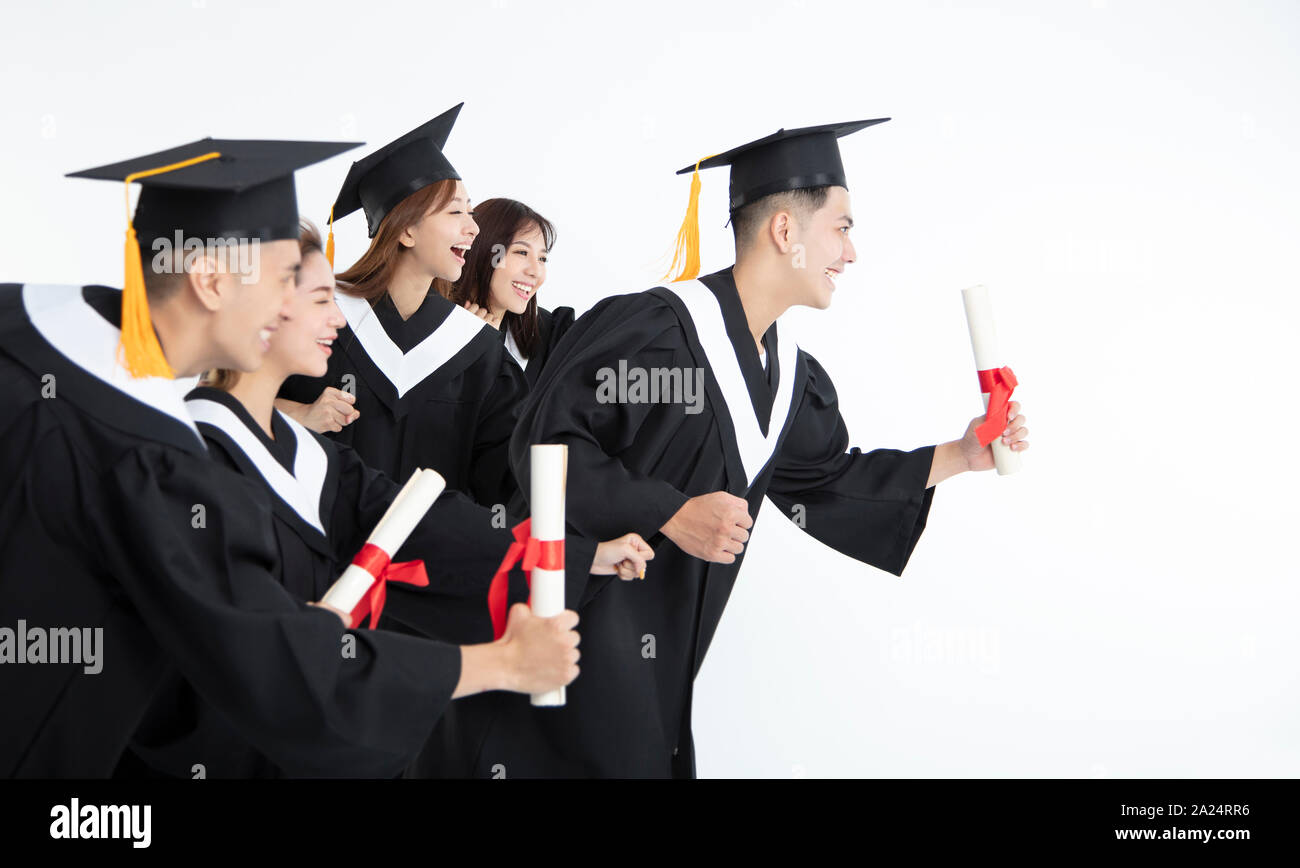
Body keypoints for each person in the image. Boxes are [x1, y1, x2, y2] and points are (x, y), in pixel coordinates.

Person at [425, 118, 1031, 778]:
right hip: (556, 654)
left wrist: (962, 453)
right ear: (783, 232)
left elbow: (827, 480)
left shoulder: (787, 376)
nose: (852, 252)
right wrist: (670, 512)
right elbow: (547, 445)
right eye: (842, 226)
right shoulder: (657, 333)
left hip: (654, 684)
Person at [0, 139, 580, 778]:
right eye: (285, 282)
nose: (293, 308)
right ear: (211, 281)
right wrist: (500, 664)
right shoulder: (155, 464)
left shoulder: (23, 332)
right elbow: (272, 665)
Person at [116, 220, 651, 777]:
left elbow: (425, 525)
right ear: (263, 309)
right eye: (322, 298)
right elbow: (281, 660)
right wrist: (502, 664)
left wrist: (573, 554)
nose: (340, 316)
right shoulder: (182, 467)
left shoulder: (310, 457)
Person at [278, 104, 524, 510]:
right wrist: (300, 414)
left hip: (432, 565)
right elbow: (225, 402)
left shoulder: (477, 350)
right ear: (407, 229)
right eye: (456, 211)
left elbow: (505, 485)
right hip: (317, 562)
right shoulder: (319, 315)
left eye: (472, 212)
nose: (474, 228)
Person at [441, 197, 575, 389]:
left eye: (542, 258)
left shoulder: (548, 335)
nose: (535, 271)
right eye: (521, 253)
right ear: (486, 252)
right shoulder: (435, 327)